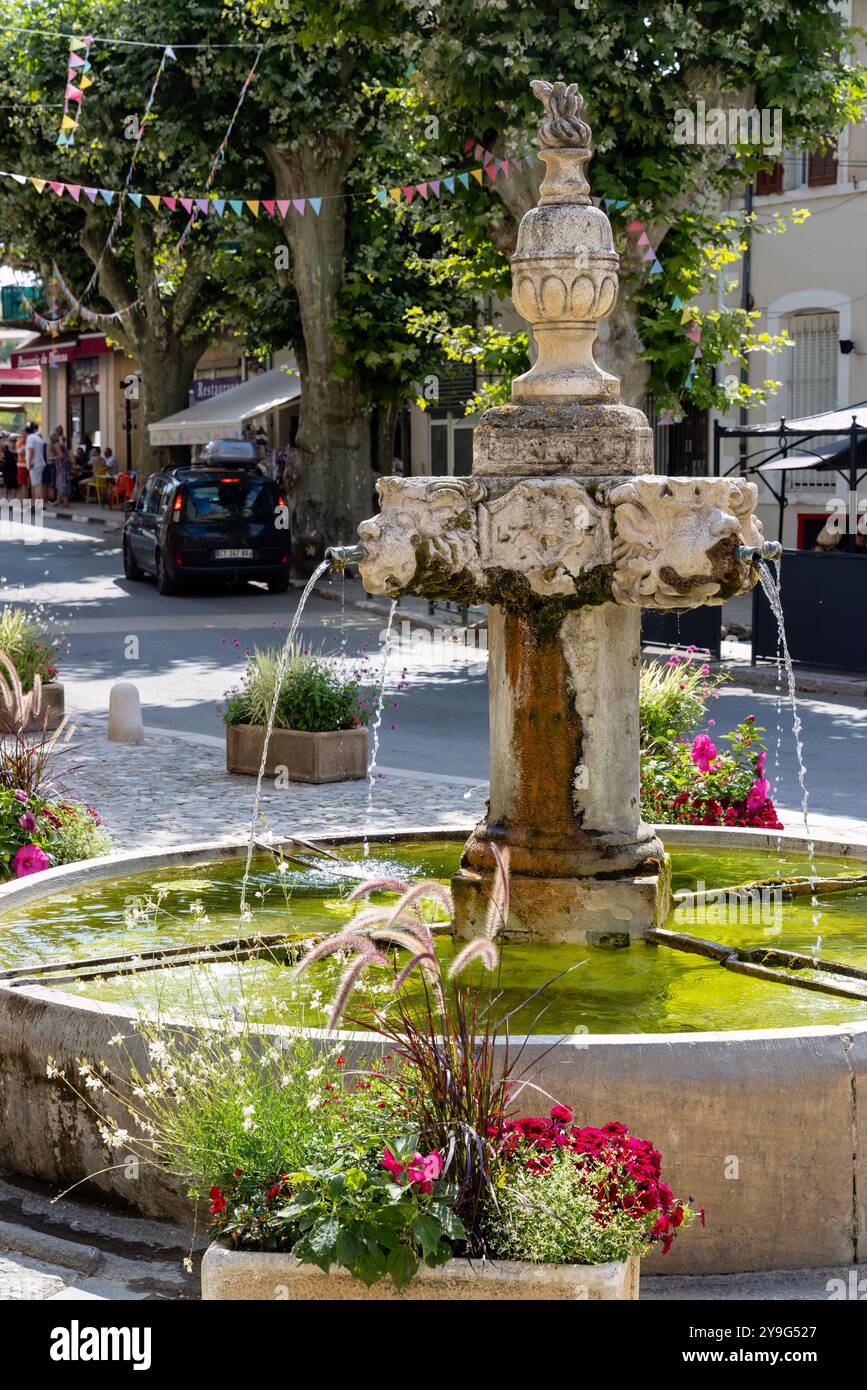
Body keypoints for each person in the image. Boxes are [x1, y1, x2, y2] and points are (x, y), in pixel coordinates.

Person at [24, 421, 46, 500]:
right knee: (39, 484)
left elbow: (31, 450)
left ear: (26, 433)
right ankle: (40, 502)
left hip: (34, 464)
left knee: (36, 485)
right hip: (40, 463)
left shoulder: (30, 438)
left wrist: (29, 464)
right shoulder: (38, 438)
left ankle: (38, 504)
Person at [50, 429, 71, 507]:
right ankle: (58, 501)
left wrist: (52, 458)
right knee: (61, 483)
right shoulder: (60, 443)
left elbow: (61, 456)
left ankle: (65, 503)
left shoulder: (56, 445)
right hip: (64, 466)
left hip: (62, 467)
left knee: (62, 483)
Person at [1, 435, 18, 499]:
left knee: (14, 484)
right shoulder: (6, 448)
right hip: (7, 469)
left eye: (14, 441)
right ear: (9, 441)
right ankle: (6, 498)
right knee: (8, 484)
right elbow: (1, 444)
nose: (13, 442)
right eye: (12, 440)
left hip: (15, 469)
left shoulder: (17, 450)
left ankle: (13, 499)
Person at [15, 428, 29, 498]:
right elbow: (20, 452)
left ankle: (30, 503)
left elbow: (21, 452)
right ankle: (27, 502)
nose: (24, 435)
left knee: (27, 484)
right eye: (23, 433)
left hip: (28, 465)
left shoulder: (28, 441)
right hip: (22, 465)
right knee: (24, 484)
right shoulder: (19, 442)